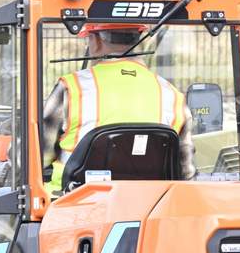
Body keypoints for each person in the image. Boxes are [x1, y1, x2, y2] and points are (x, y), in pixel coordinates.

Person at [41, 23, 195, 192]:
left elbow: (38, 155)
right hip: (149, 209)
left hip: (72, 208)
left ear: (96, 41)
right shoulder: (173, 96)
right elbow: (185, 172)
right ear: (138, 38)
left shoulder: (72, 88)